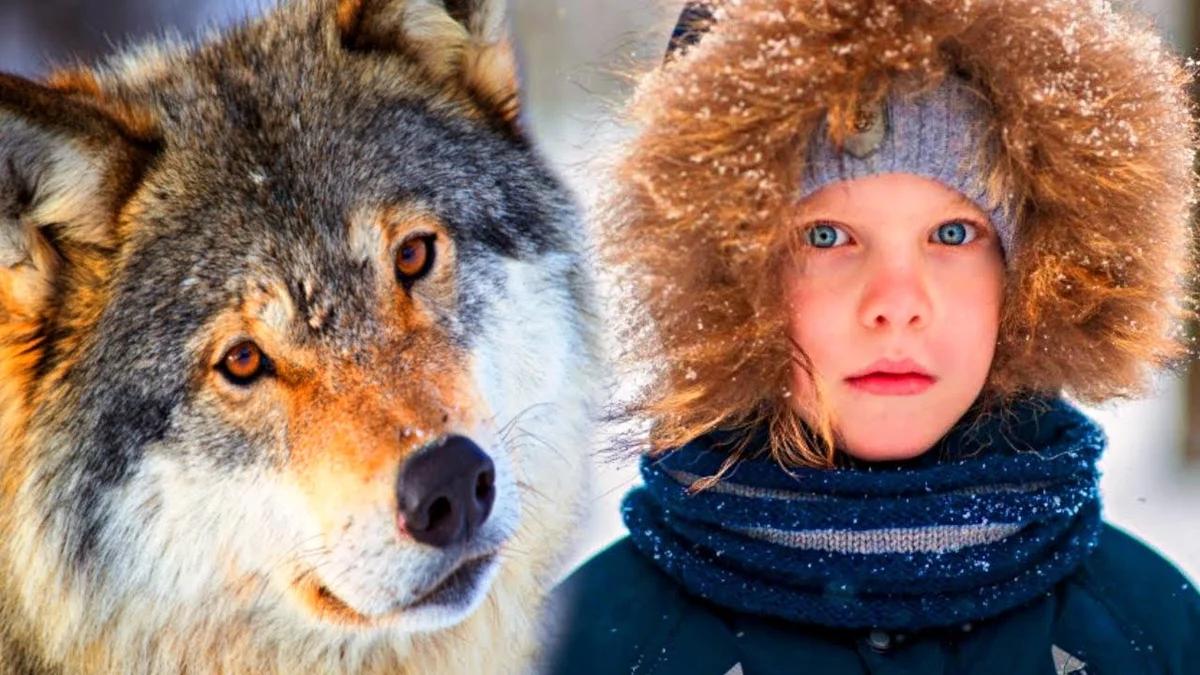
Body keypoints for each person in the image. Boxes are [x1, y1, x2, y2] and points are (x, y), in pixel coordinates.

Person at [546, 0, 1200, 673]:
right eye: (827, 236)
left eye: (952, 234)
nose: (895, 304)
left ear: (1036, 275)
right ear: (730, 280)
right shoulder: (590, 644)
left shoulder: (1148, 630)